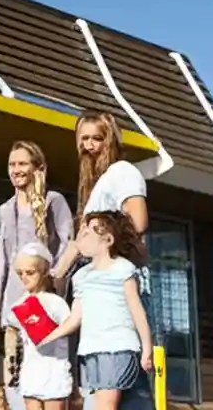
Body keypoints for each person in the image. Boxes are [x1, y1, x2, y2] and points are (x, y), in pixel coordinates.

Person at [50, 111, 154, 409]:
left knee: (116, 382)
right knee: (128, 389)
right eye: (83, 139)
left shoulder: (122, 172)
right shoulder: (99, 185)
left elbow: (138, 220)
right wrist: (57, 275)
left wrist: (105, 254)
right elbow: (80, 242)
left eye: (97, 138)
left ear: (111, 140)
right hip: (98, 291)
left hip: (115, 290)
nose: (90, 145)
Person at [0, 141, 74, 406]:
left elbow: (70, 242)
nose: (16, 170)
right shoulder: (3, 211)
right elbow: (0, 260)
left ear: (38, 168)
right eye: (12, 164)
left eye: (22, 163)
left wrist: (56, 276)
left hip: (44, 305)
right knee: (13, 375)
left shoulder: (53, 201)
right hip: (13, 308)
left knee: (48, 372)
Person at [38, 211, 153, 410]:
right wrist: (48, 336)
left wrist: (147, 348)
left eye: (90, 231)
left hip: (117, 347)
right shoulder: (81, 277)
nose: (83, 235)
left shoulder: (122, 269)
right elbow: (75, 318)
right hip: (90, 351)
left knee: (105, 405)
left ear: (107, 240)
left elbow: (136, 310)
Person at [4, 242, 73, 410]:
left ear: (43, 272)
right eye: (20, 273)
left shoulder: (56, 303)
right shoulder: (20, 304)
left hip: (54, 367)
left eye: (30, 273)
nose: (24, 278)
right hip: (31, 368)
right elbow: (11, 329)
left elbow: (70, 326)